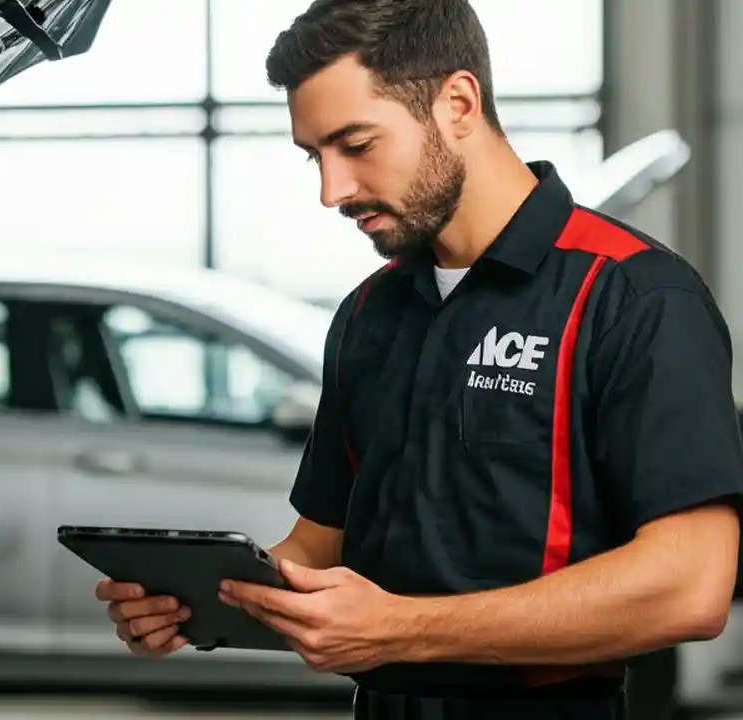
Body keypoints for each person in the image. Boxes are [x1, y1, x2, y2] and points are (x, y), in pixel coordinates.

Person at [94, 0, 743, 717]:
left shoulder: (632, 295)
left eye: (356, 144)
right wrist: (203, 602)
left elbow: (691, 585)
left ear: (458, 102)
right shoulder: (368, 314)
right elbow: (318, 545)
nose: (331, 191)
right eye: (315, 156)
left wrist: (402, 628)